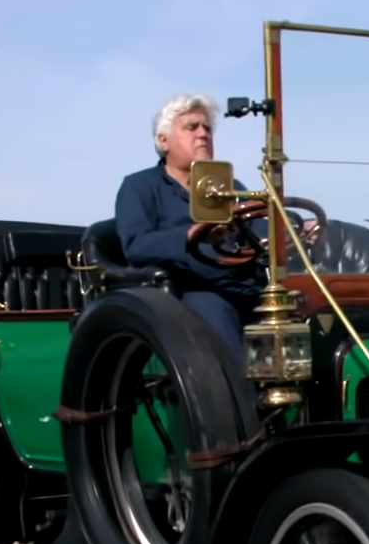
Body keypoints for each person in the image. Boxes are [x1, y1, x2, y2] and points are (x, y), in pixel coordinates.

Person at [114, 94, 269, 361]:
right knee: (215, 311)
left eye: (207, 128)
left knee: (293, 307)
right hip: (187, 291)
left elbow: (260, 227)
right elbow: (135, 246)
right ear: (163, 141)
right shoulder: (139, 187)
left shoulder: (230, 187)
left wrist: (283, 234)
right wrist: (191, 234)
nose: (203, 134)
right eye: (191, 127)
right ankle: (240, 402)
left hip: (242, 285)